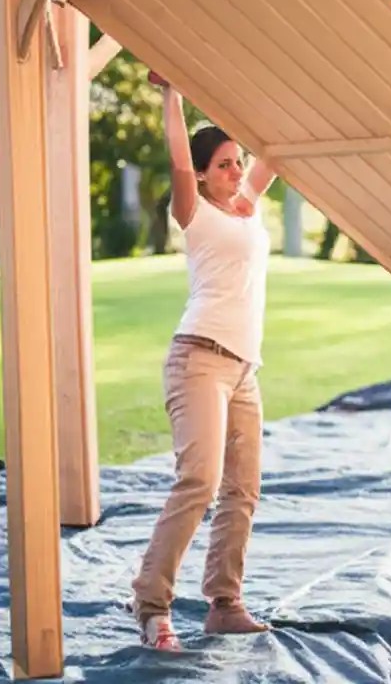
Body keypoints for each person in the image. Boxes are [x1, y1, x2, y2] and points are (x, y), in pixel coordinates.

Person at [129, 70, 277, 651]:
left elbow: (277, 149)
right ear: (203, 174)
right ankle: (150, 604)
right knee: (200, 481)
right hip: (199, 361)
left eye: (237, 162)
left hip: (244, 370)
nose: (236, 171)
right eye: (223, 165)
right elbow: (176, 161)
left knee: (244, 488)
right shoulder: (196, 212)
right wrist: (173, 96)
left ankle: (224, 603)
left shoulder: (247, 206)